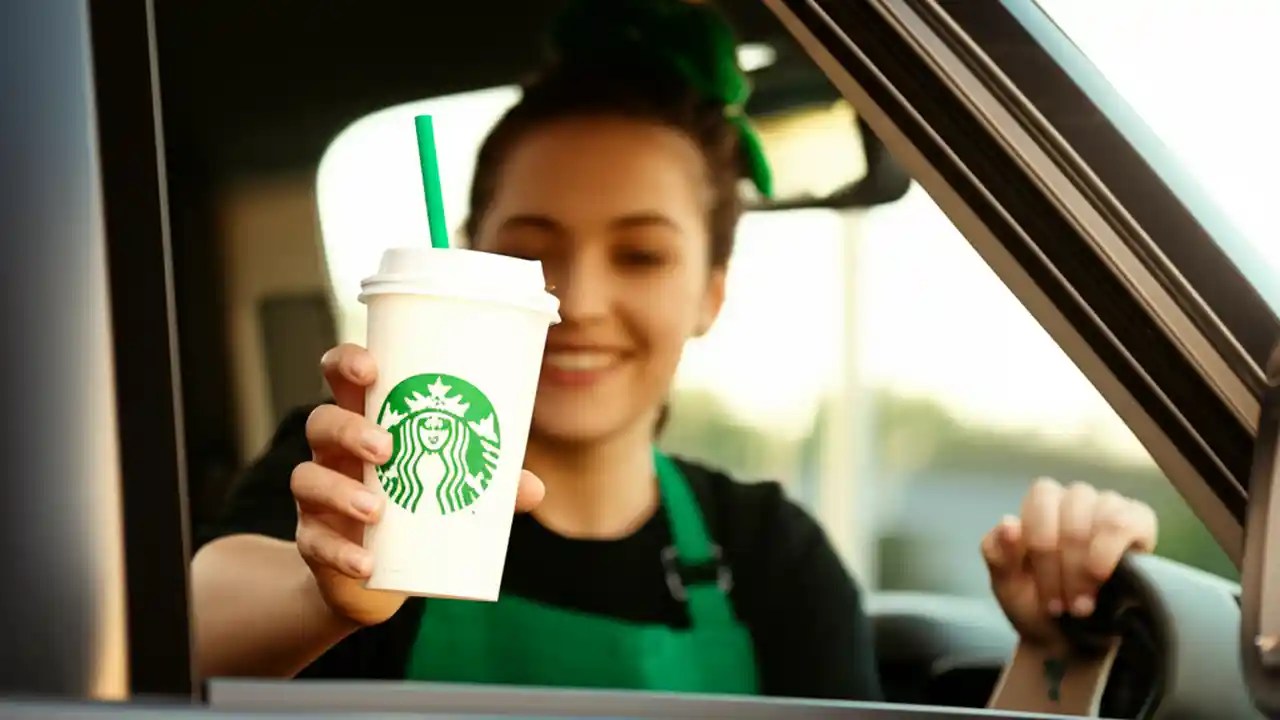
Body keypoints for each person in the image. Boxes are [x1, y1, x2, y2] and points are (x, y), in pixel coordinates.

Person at [191, 0, 1158, 712]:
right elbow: (186, 629)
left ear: (710, 293)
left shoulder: (771, 559)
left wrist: (1050, 651)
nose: (580, 298)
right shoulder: (370, 476)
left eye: (643, 254)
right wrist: (321, 594)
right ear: (473, 261)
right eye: (531, 246)